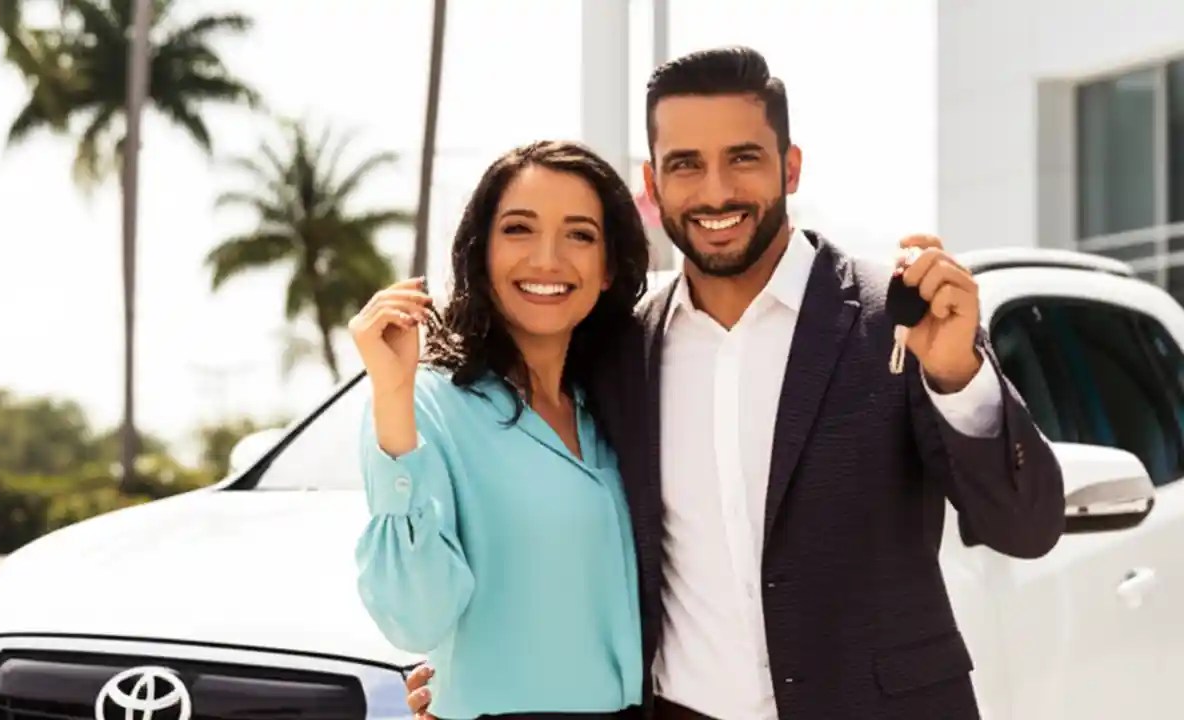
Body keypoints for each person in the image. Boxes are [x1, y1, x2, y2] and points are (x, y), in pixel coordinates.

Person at [406, 47, 1065, 720]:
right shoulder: (619, 353)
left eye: (743, 158)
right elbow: (553, 536)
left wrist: (958, 376)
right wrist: (474, 667)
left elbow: (1027, 527)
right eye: (686, 164)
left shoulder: (893, 319)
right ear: (653, 184)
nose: (715, 191)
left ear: (791, 165)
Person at [350, 140, 651, 720]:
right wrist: (391, 396)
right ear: (480, 252)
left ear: (609, 266)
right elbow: (413, 619)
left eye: (580, 235)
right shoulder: (423, 405)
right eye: (518, 229)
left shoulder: (619, 401)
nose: (547, 259)